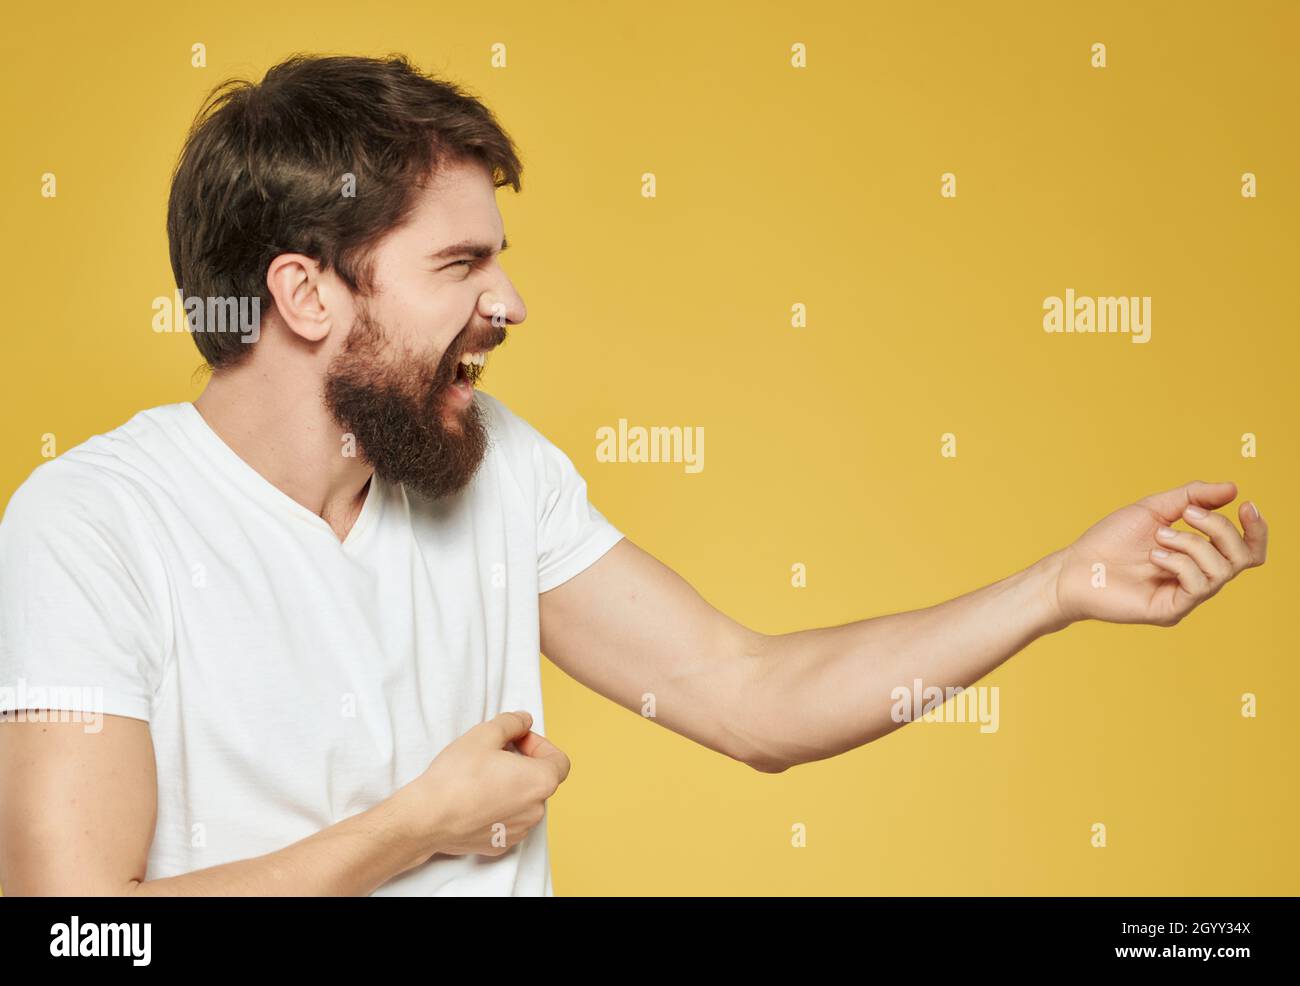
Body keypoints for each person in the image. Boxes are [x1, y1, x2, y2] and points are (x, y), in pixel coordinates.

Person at [0, 54, 1269, 897]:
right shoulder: (91, 524)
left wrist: (1058, 584)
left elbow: (750, 694)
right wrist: (414, 826)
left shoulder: (500, 475)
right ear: (305, 290)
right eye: (459, 266)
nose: (511, 300)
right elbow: (75, 929)